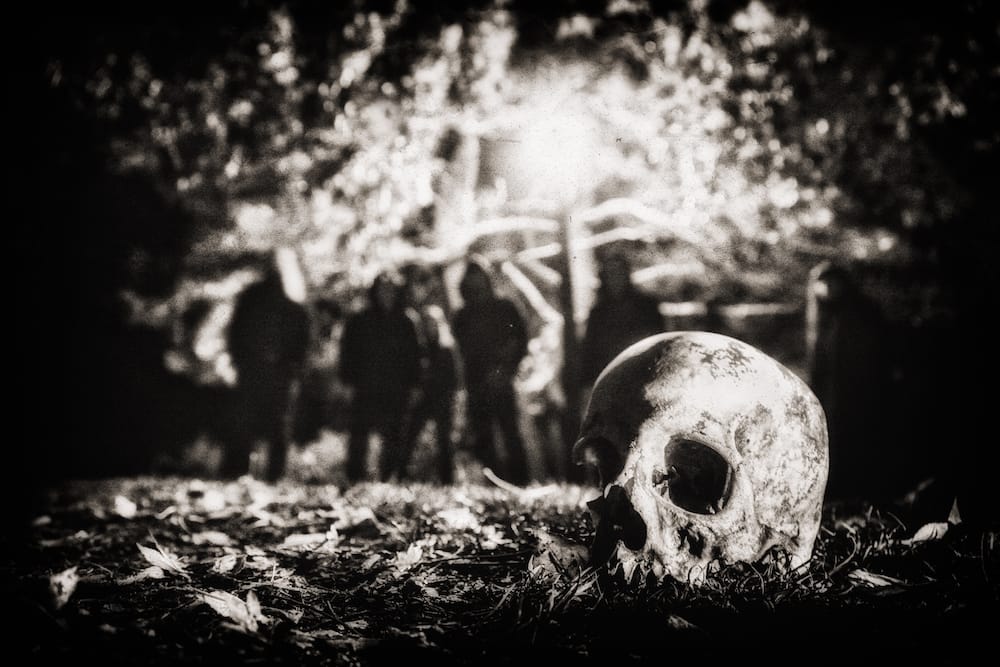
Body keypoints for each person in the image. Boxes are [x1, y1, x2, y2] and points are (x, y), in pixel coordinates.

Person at [223, 256, 311, 482]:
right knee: (262, 425)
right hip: (262, 373)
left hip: (270, 374)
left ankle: (250, 472)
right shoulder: (283, 307)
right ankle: (264, 474)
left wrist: (292, 366)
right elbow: (236, 335)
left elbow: (302, 342)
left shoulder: (255, 303)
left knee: (264, 425)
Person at [452, 256, 530, 485]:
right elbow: (465, 349)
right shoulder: (462, 316)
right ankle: (494, 482)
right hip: (477, 382)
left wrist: (506, 369)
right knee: (484, 435)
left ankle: (520, 482)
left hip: (503, 379)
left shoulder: (505, 307)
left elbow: (520, 340)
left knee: (510, 433)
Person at [339, 271, 422, 483]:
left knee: (394, 434)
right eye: (382, 289)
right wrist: (347, 382)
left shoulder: (406, 321)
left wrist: (415, 385)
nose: (387, 294)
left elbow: (416, 356)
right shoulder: (360, 320)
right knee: (359, 434)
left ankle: (388, 478)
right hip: (365, 386)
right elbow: (348, 353)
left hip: (396, 387)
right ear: (374, 292)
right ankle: (354, 478)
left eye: (391, 290)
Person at [395, 265, 459, 483]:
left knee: (444, 441)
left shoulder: (447, 349)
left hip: (443, 399)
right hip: (423, 398)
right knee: (410, 436)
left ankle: (448, 481)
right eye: (427, 323)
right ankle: (400, 476)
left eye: (433, 323)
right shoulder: (418, 347)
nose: (430, 327)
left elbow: (454, 377)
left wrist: (450, 397)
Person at [580, 252, 664, 387]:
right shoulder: (598, 313)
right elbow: (590, 353)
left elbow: (659, 344)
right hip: (610, 380)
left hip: (642, 377)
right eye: (610, 274)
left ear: (626, 274)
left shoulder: (647, 307)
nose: (615, 278)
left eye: (619, 272)